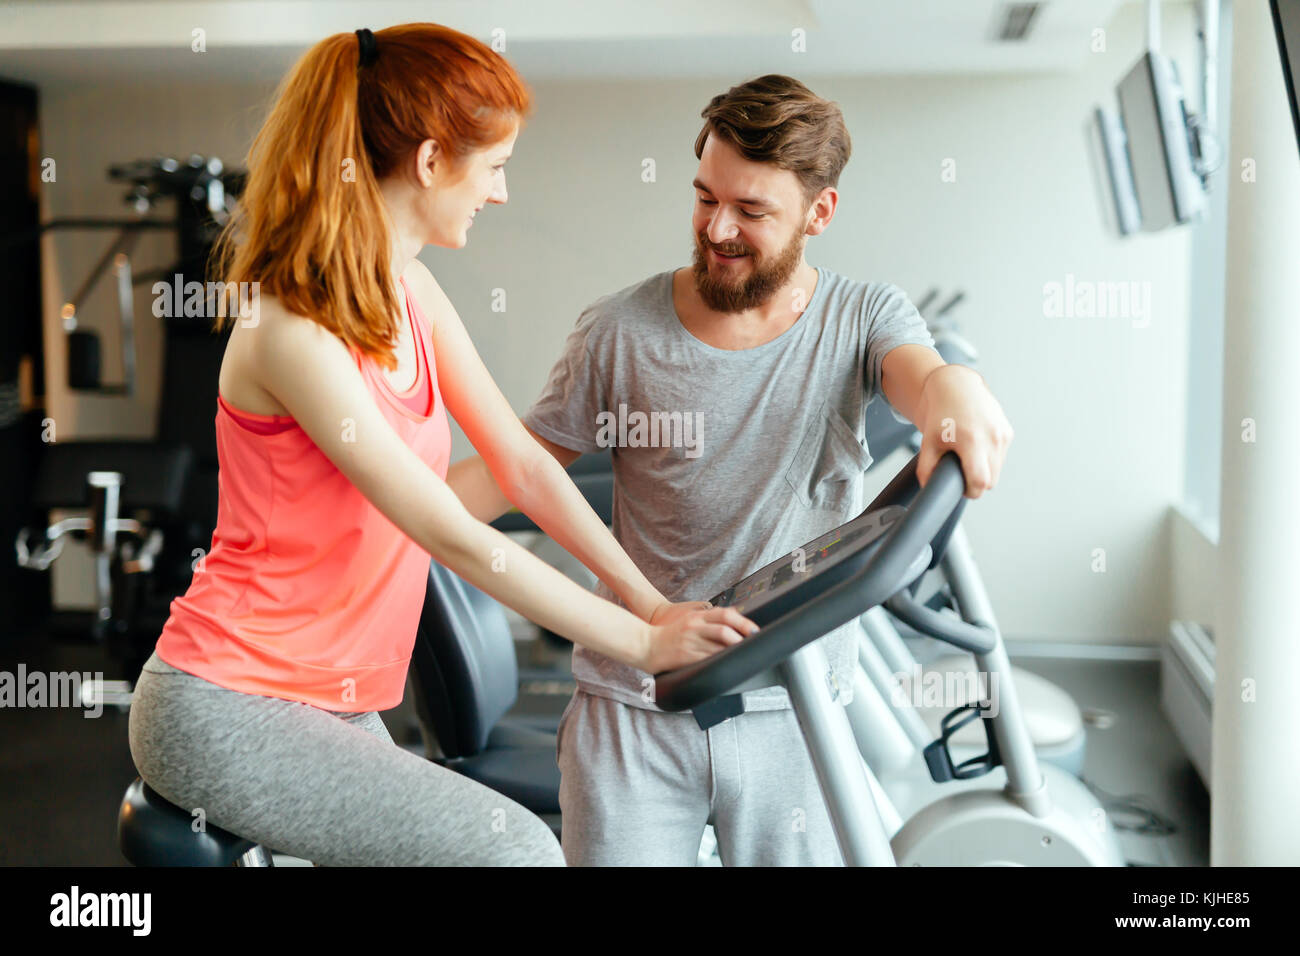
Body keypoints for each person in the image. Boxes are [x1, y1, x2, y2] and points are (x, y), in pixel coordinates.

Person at [127, 23, 758, 868]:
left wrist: (653, 606)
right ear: (430, 162)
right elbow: (449, 533)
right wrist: (640, 646)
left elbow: (520, 463)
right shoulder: (290, 332)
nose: (498, 193)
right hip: (226, 701)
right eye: (493, 167)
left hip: (335, 702)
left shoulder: (411, 290)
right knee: (515, 854)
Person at [465, 74, 1015, 865]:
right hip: (634, 710)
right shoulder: (618, 330)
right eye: (703, 198)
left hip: (793, 710)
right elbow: (508, 472)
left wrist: (958, 391)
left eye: (752, 211)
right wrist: (380, 512)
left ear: (818, 213)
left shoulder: (861, 317)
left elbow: (924, 379)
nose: (717, 228)